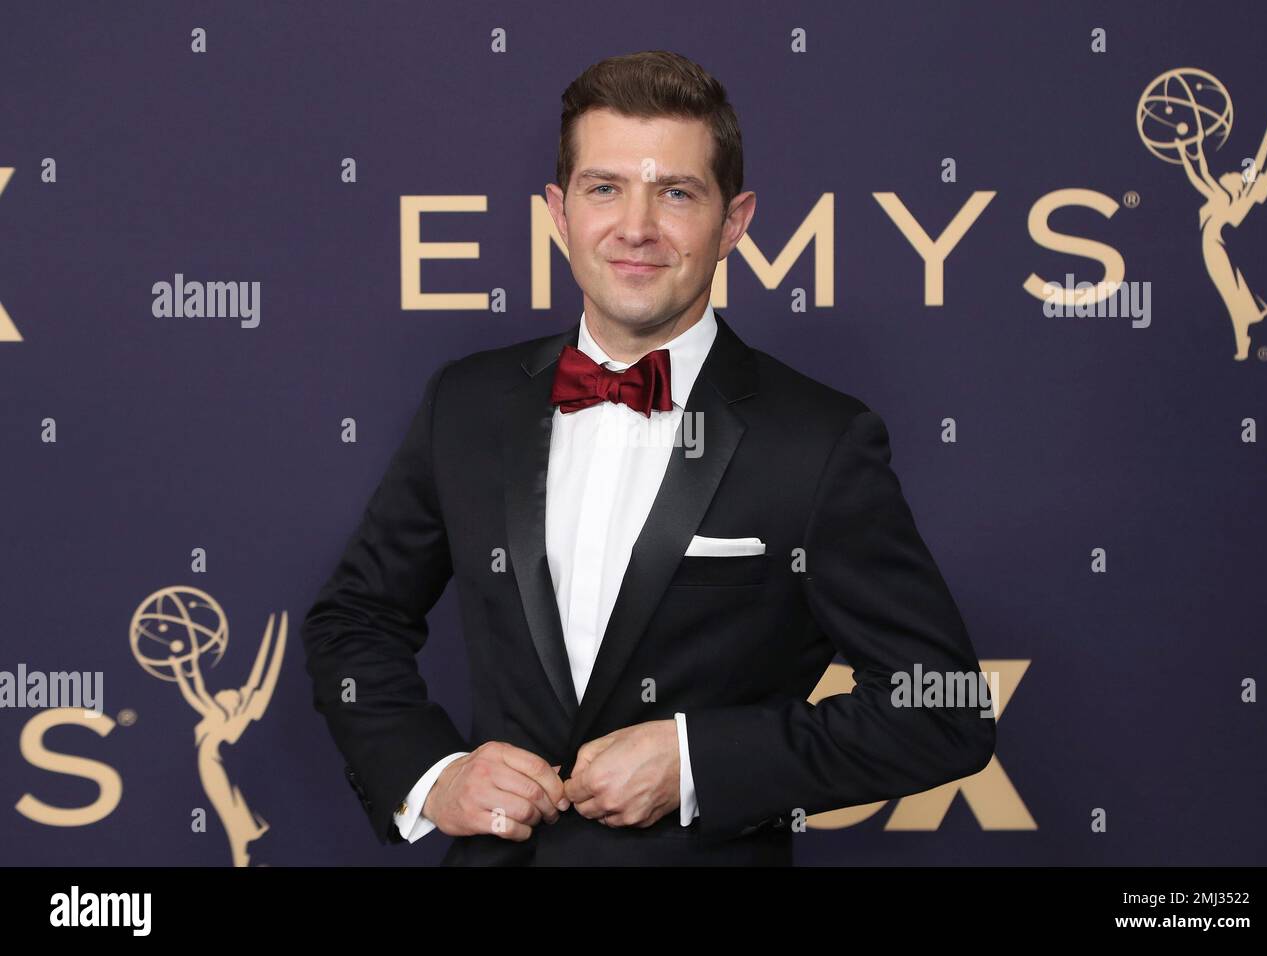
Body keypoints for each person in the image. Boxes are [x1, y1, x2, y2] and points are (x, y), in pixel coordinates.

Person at [301, 49, 994, 866]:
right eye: (604, 188)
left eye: (676, 193)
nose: (635, 227)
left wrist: (697, 760)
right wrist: (434, 774)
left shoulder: (819, 440)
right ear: (559, 212)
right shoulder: (467, 402)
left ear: (733, 222)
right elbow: (354, 621)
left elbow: (940, 713)